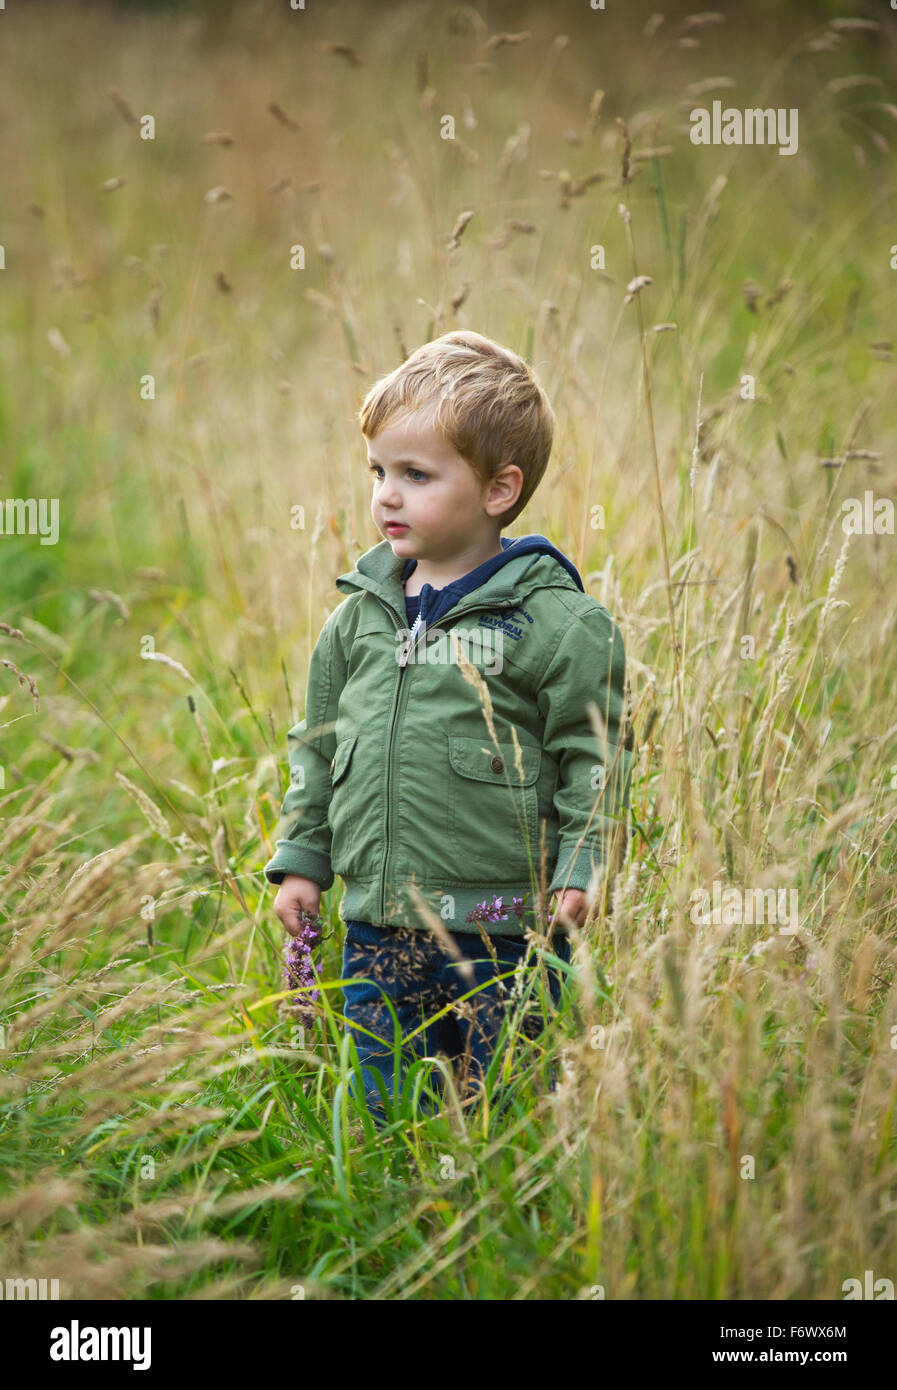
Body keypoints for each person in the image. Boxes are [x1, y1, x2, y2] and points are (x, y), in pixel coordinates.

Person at [265, 330, 635, 1124]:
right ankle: (395, 1217)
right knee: (385, 1109)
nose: (385, 496)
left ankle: (496, 1222)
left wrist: (582, 863)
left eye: (415, 475)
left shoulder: (558, 625)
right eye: (378, 472)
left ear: (499, 490)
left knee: (504, 1106)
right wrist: (301, 861)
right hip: (375, 924)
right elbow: (318, 746)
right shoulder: (357, 620)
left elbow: (592, 755)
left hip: (502, 925)